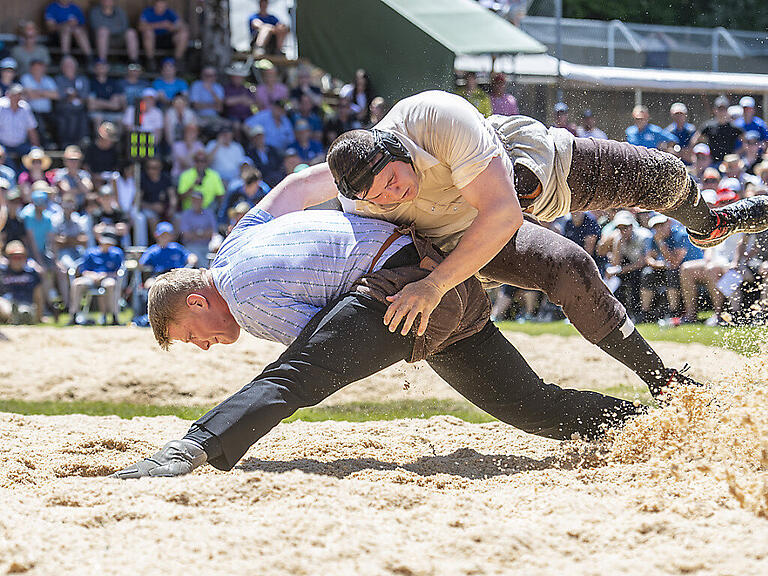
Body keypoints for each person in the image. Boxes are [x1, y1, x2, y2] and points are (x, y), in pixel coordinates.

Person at [261, 90, 768, 395]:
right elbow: (304, 185)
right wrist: (253, 231)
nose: (395, 193)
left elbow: (504, 207)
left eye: (394, 178)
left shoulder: (431, 116)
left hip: (545, 172)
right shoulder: (361, 200)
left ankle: (707, 224)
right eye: (381, 196)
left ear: (397, 149)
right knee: (570, 267)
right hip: (471, 239)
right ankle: (662, 378)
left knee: (666, 176)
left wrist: (436, 282)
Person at [113, 206, 646, 479]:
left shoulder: (241, 293)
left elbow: (312, 359)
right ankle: (653, 425)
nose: (202, 346)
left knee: (293, 378)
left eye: (189, 334)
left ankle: (189, 449)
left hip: (401, 285)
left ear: (197, 301)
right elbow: (297, 185)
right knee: (532, 405)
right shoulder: (237, 242)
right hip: (441, 283)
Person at [68, 229, 123, 325]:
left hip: (108, 278)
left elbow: (118, 272)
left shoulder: (117, 253)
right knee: (77, 283)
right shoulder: (90, 252)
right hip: (91, 278)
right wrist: (94, 276)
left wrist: (105, 275)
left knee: (111, 284)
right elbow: (84, 271)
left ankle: (114, 317)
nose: (107, 245)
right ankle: (73, 315)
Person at [0, 240, 43, 324]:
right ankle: (14, 316)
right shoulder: (2, 272)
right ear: (8, 258)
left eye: (21, 257)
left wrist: (39, 317)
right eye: (14, 257)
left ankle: (22, 317)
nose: (18, 260)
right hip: (7, 303)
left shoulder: (31, 272)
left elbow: (38, 297)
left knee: (25, 310)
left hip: (26, 303)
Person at [139, 0, 190, 70]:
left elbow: (183, 26)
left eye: (162, 7)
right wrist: (160, 25)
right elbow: (141, 27)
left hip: (168, 39)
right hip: (152, 40)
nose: (160, 8)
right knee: (148, 33)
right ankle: (150, 61)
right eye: (158, 6)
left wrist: (172, 27)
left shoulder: (169, 12)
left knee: (184, 35)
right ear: (154, 6)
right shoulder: (148, 12)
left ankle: (177, 61)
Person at [19, 59, 58, 147]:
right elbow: (28, 95)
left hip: (48, 112)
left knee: (58, 122)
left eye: (40, 68)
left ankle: (54, 144)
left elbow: (56, 95)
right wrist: (46, 93)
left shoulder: (48, 80)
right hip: (32, 111)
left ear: (44, 69)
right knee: (39, 124)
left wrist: (36, 93)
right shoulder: (25, 78)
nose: (38, 71)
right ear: (31, 69)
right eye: (35, 68)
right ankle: (43, 146)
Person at [694, 96, 744, 164]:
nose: (722, 112)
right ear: (715, 110)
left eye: (724, 109)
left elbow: (747, 143)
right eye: (720, 109)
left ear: (727, 110)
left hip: (729, 165)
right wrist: (704, 156)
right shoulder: (708, 127)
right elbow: (695, 141)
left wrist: (736, 154)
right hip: (712, 164)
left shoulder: (734, 128)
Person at [54, 56, 89, 147]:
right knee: (67, 117)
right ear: (62, 67)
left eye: (71, 65)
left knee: (81, 116)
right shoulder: (58, 79)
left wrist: (70, 94)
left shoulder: (82, 79)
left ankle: (81, 145)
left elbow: (84, 96)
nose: (69, 67)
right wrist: (75, 95)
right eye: (66, 65)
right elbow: (60, 95)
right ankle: (66, 146)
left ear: (76, 67)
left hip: (80, 110)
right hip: (63, 109)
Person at [0, 85, 39, 164]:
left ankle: (23, 176)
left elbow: (31, 129)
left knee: (34, 155)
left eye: (19, 95)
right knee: (6, 161)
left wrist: (36, 148)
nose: (17, 97)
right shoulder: (1, 106)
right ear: (8, 95)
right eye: (14, 95)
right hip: (2, 144)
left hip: (21, 144)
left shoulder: (25, 107)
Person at [175, 190, 216, 266]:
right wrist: (204, 233)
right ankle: (207, 271)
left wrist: (196, 233)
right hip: (191, 246)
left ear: (202, 201)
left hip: (207, 245)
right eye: (194, 199)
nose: (196, 202)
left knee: (217, 245)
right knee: (195, 258)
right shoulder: (186, 214)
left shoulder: (209, 213)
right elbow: (186, 235)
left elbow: (212, 232)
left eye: (198, 199)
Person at [87, 59, 125, 128]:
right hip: (97, 113)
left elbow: (116, 105)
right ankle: (99, 139)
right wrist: (109, 103)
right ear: (95, 69)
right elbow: (91, 105)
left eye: (103, 66)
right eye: (98, 66)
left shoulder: (113, 83)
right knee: (98, 118)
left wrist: (98, 102)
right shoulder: (90, 83)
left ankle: (117, 139)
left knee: (120, 119)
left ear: (107, 68)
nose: (101, 68)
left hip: (112, 113)